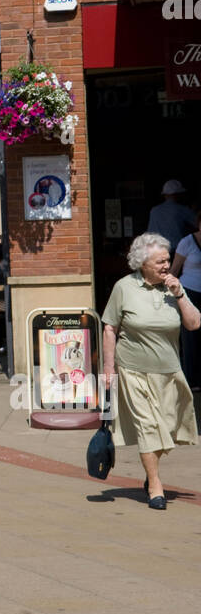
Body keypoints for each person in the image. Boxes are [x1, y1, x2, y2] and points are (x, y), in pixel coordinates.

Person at [102, 233, 199, 510]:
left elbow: (194, 324)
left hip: (169, 371)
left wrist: (179, 293)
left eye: (168, 260)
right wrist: (109, 369)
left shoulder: (174, 288)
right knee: (148, 427)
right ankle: (155, 485)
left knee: (166, 427)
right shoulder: (124, 287)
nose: (166, 265)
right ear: (142, 263)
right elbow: (110, 327)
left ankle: (150, 473)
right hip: (133, 369)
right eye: (160, 262)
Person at [171, 211, 201, 389]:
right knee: (190, 338)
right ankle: (192, 380)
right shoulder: (187, 242)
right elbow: (174, 269)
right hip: (190, 292)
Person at [147, 181, 196, 256]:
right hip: (176, 252)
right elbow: (197, 223)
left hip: (155, 252)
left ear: (165, 195)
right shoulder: (182, 209)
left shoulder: (154, 210)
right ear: (177, 195)